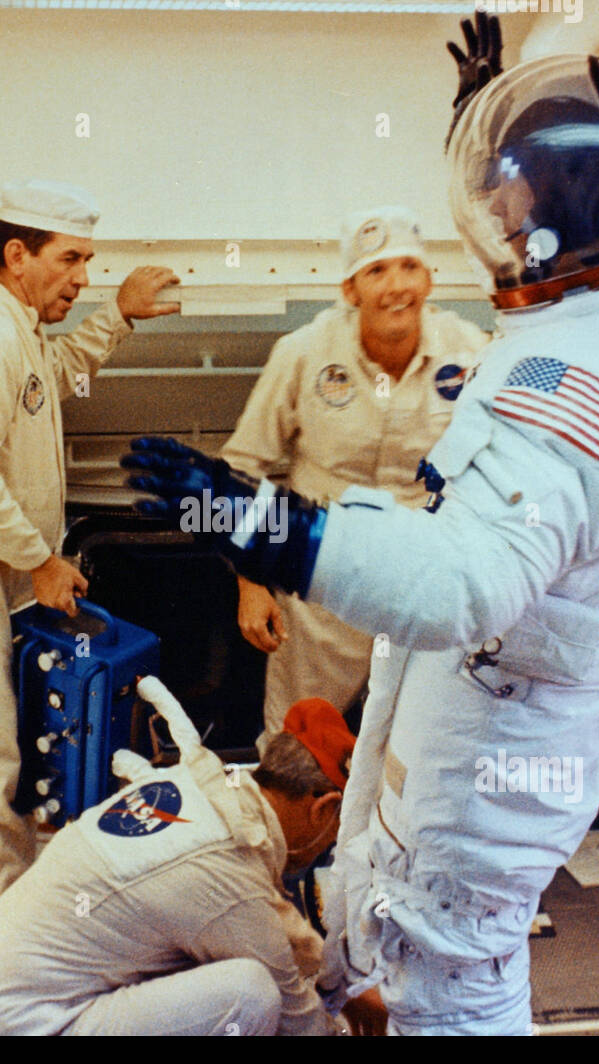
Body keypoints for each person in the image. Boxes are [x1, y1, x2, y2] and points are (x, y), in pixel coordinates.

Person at [123, 51, 599, 1034]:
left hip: (475, 725)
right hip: (429, 664)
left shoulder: (584, 385)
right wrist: (489, 132)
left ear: (567, 203)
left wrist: (270, 531)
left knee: (447, 977)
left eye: (515, 191)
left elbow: (463, 585)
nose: (503, 215)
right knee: (368, 873)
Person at [0, 180, 180, 938]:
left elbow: (48, 379)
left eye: (88, 260)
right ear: (16, 255)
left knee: (11, 764)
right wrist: (42, 560)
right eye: (69, 259)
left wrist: (116, 317)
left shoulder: (14, 330)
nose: (82, 277)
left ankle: (17, 931)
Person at [222, 207, 489, 738]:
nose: (397, 287)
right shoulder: (303, 353)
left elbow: (502, 466)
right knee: (298, 738)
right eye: (377, 271)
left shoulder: (471, 353)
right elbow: (238, 469)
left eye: (409, 268)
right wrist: (250, 582)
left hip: (424, 578)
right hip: (324, 574)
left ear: (429, 279)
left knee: (421, 740)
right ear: (350, 289)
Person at [0, 689, 354, 1036]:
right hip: (26, 1023)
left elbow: (265, 921)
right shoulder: (225, 862)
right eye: (335, 834)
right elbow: (298, 1021)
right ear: (324, 809)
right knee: (252, 995)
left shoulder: (197, 788)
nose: (325, 848)